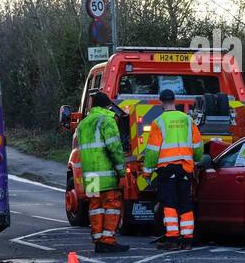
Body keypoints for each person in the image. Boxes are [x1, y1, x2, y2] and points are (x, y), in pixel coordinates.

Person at [142, 88, 203, 249]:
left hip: (166, 169)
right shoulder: (188, 120)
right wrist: (195, 161)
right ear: (175, 101)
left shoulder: (159, 122)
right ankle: (188, 239)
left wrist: (147, 172)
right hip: (185, 168)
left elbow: (153, 151)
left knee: (169, 204)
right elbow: (198, 145)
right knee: (185, 203)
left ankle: (172, 239)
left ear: (161, 102)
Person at [75, 91, 129, 254]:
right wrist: (121, 172)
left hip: (90, 175)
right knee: (111, 206)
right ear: (107, 105)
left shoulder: (83, 124)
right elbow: (115, 149)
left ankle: (98, 240)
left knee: (95, 207)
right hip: (106, 173)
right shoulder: (107, 121)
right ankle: (108, 241)